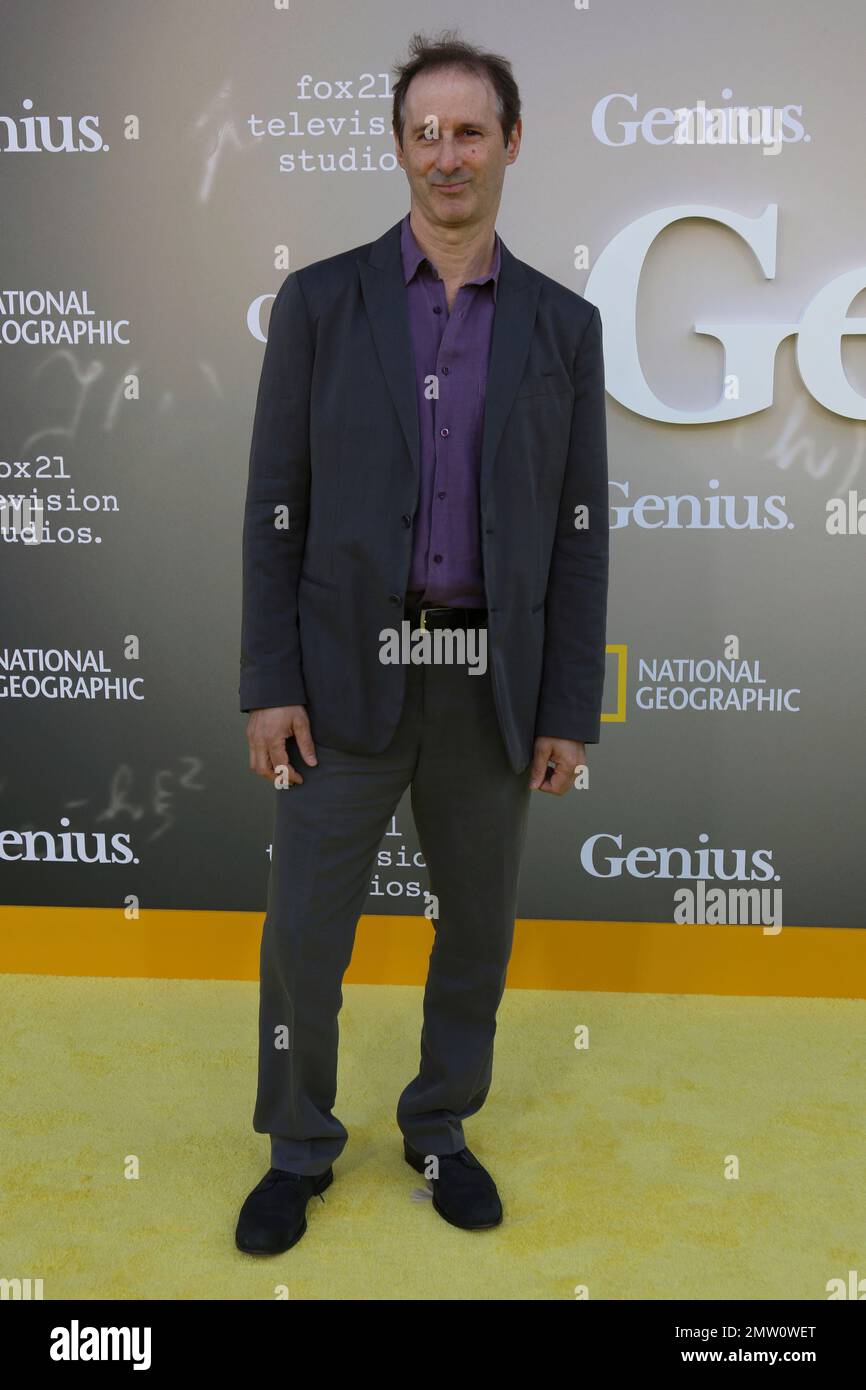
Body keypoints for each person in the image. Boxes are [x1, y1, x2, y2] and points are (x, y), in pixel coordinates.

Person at [235, 30, 609, 1255]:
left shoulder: (563, 323)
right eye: (423, 132)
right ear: (398, 148)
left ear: (509, 143)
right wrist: (268, 681)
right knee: (302, 937)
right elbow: (271, 504)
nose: (446, 154)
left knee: (477, 932)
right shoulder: (320, 302)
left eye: (468, 130)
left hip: (489, 682)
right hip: (341, 677)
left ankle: (440, 1127)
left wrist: (566, 708)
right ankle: (298, 1146)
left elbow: (575, 535)